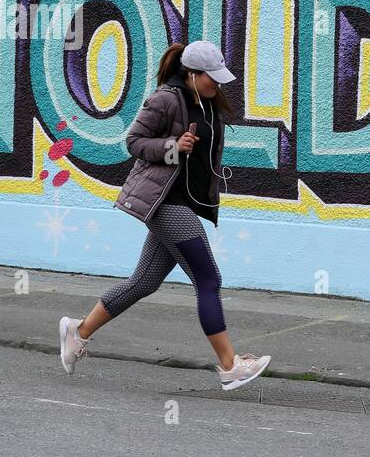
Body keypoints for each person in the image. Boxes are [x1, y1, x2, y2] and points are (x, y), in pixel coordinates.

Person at [57, 40, 271, 391]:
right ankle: (230, 365)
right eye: (211, 77)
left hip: (184, 202)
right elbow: (134, 141)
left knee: (144, 282)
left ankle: (77, 331)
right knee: (208, 279)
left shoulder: (206, 102)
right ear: (191, 74)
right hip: (165, 202)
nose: (217, 84)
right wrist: (172, 147)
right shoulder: (166, 99)